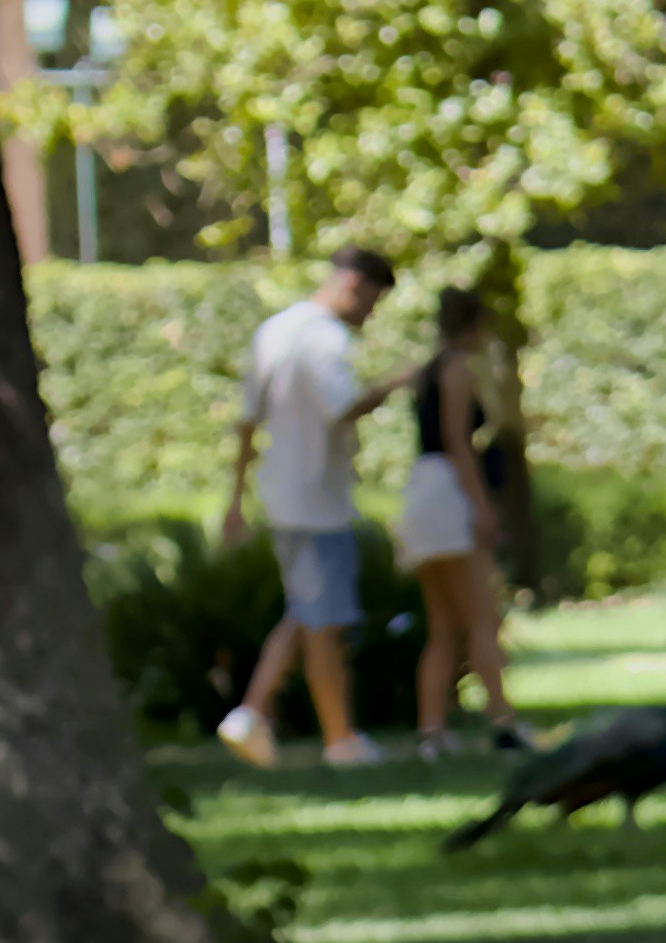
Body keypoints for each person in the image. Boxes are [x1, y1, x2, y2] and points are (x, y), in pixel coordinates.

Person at [218, 242, 397, 765]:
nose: (369, 315)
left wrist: (236, 499)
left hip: (281, 492)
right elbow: (342, 408)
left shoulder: (273, 330)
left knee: (305, 610)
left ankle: (249, 715)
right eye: (372, 302)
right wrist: (398, 383)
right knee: (324, 623)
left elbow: (247, 421)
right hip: (318, 500)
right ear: (352, 286)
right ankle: (340, 739)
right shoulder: (324, 340)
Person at [397, 282, 523, 754]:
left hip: (420, 493)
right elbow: (458, 442)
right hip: (449, 496)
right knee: (481, 618)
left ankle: (431, 731)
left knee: (443, 626)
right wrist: (482, 507)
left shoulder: (423, 371)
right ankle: (504, 721)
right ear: (474, 325)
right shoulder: (457, 372)